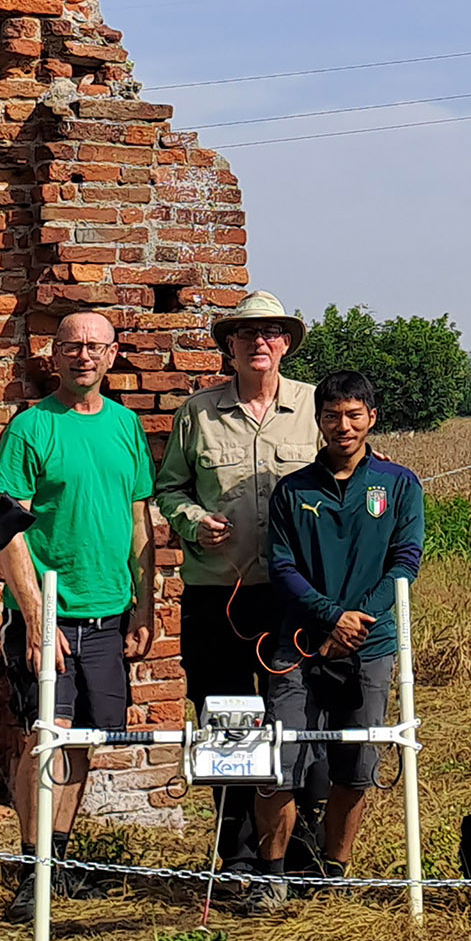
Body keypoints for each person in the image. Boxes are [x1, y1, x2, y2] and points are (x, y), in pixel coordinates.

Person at [0, 310, 157, 919]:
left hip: (109, 612)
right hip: (49, 615)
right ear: (53, 355)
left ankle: (57, 863)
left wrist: (145, 605)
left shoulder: (126, 425)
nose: (84, 356)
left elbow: (139, 521)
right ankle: (30, 872)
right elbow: (8, 528)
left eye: (95, 346)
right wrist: (37, 617)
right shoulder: (31, 427)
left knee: (84, 738)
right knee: (46, 738)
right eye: (72, 346)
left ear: (112, 355)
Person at [152, 291, 322, 880]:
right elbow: (169, 490)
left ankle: (300, 847)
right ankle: (239, 856)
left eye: (270, 332)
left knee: (295, 718)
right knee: (226, 720)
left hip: (292, 596)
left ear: (286, 344)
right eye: (246, 334)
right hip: (217, 593)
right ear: (229, 346)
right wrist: (194, 521)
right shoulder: (198, 413)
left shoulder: (314, 407)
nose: (258, 342)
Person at [252, 369, 425, 909]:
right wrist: (331, 619)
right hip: (299, 644)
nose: (343, 426)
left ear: (371, 418)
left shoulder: (399, 484)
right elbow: (281, 565)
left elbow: (405, 563)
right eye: (332, 416)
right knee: (279, 761)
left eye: (353, 415)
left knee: (357, 764)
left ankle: (334, 874)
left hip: (371, 646)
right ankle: (272, 877)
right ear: (319, 420)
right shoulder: (293, 490)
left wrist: (356, 622)